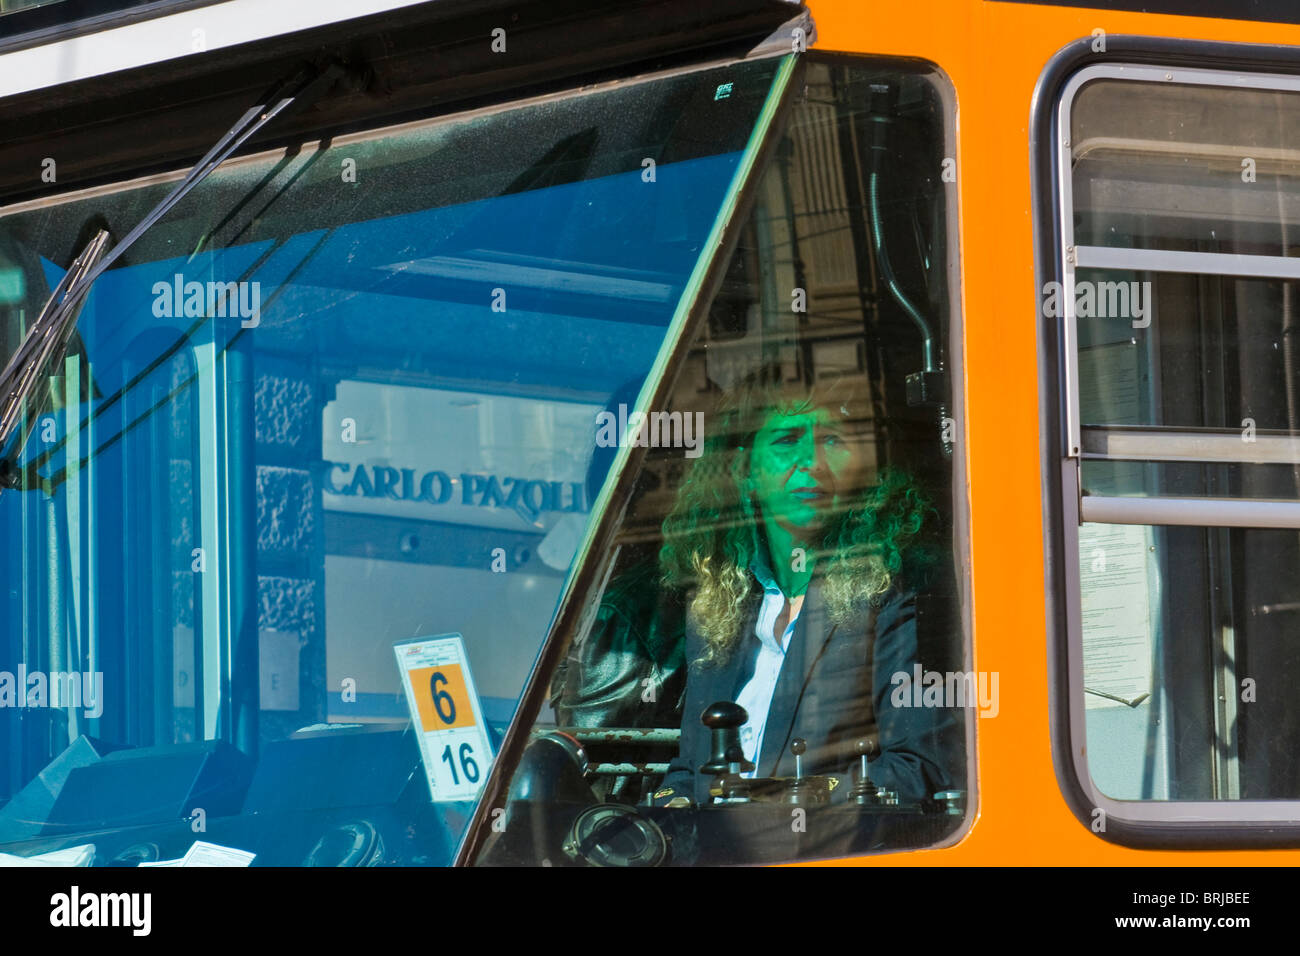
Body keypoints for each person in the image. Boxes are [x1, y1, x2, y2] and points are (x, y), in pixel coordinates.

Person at [651, 368, 956, 807]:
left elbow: (918, 767)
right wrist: (667, 810)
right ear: (743, 471)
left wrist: (781, 802)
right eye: (787, 440)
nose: (812, 462)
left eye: (832, 440)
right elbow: (693, 771)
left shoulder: (892, 591)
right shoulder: (719, 602)